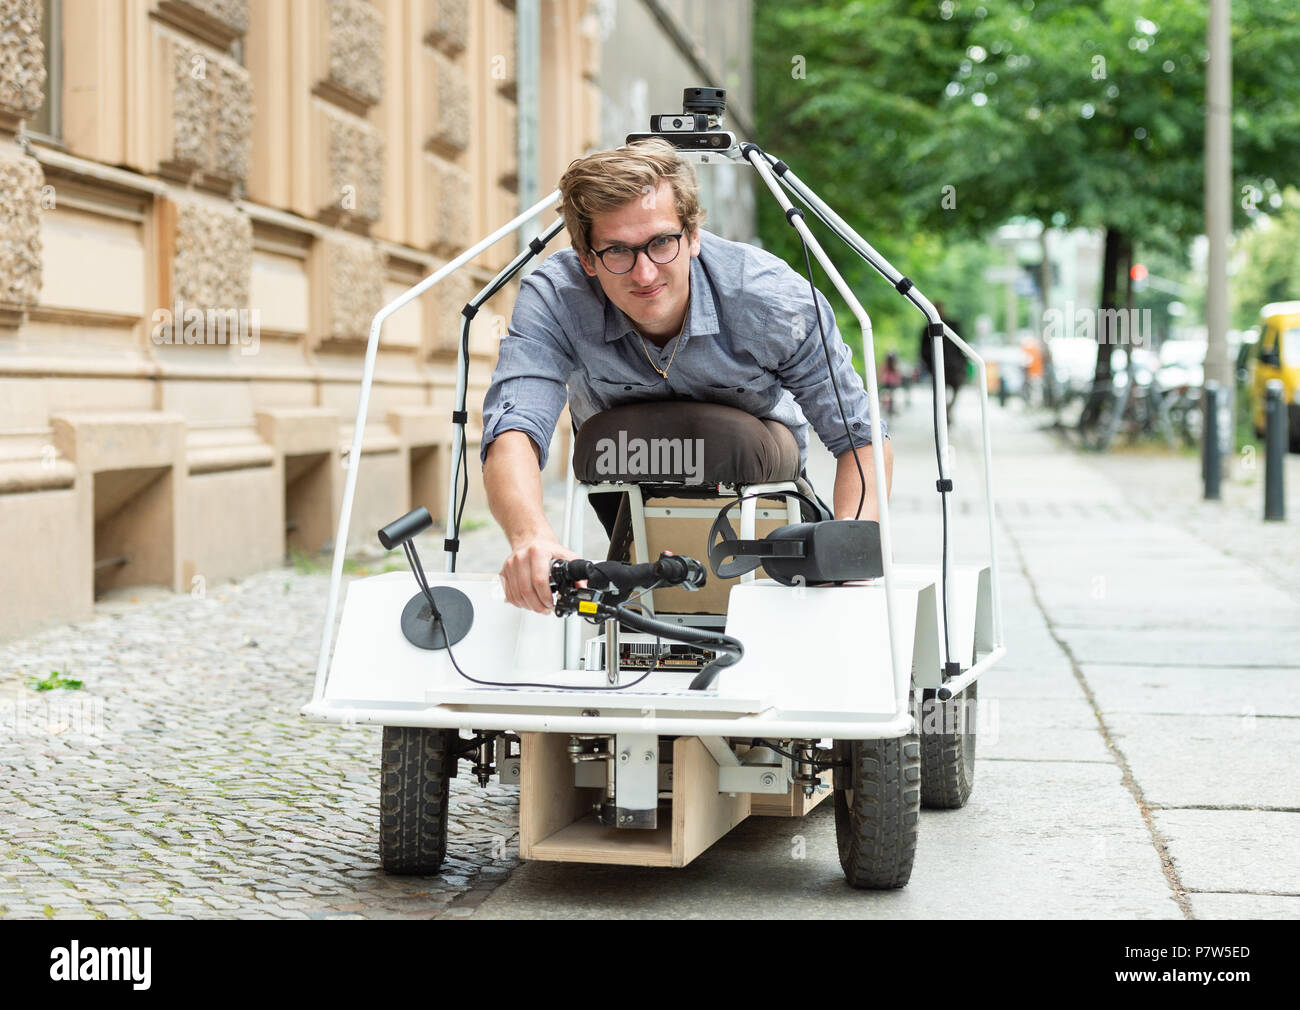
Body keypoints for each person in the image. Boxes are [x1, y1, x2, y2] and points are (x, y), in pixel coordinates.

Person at [480, 139, 892, 613]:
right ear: (586, 258)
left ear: (692, 235)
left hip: (761, 474)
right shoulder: (556, 297)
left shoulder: (769, 298)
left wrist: (848, 549)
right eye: (617, 251)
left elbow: (860, 437)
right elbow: (513, 426)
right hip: (624, 477)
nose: (644, 273)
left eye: (661, 242)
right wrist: (532, 539)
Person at [919, 301, 967, 424]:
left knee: (956, 388)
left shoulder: (952, 325)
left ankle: (948, 410)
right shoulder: (927, 329)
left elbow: (961, 344)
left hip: (954, 366)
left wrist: (962, 362)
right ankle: (945, 411)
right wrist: (930, 366)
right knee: (940, 393)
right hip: (938, 367)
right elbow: (923, 351)